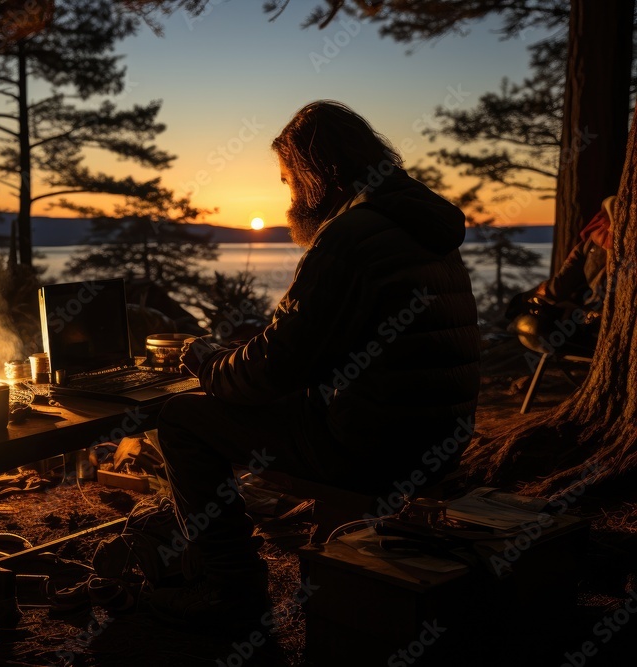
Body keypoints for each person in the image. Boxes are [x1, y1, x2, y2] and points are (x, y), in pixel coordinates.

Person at [148, 101, 481, 626]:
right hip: (437, 439)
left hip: (373, 449)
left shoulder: (349, 236)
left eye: (287, 182)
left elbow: (272, 369)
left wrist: (208, 361)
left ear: (314, 174)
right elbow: (332, 344)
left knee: (181, 419)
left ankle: (228, 588)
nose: (289, 196)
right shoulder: (420, 226)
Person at [505, 197, 614, 355]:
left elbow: (559, 286)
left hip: (591, 328)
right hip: (600, 324)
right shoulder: (594, 242)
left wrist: (527, 298)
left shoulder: (594, 240)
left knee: (530, 326)